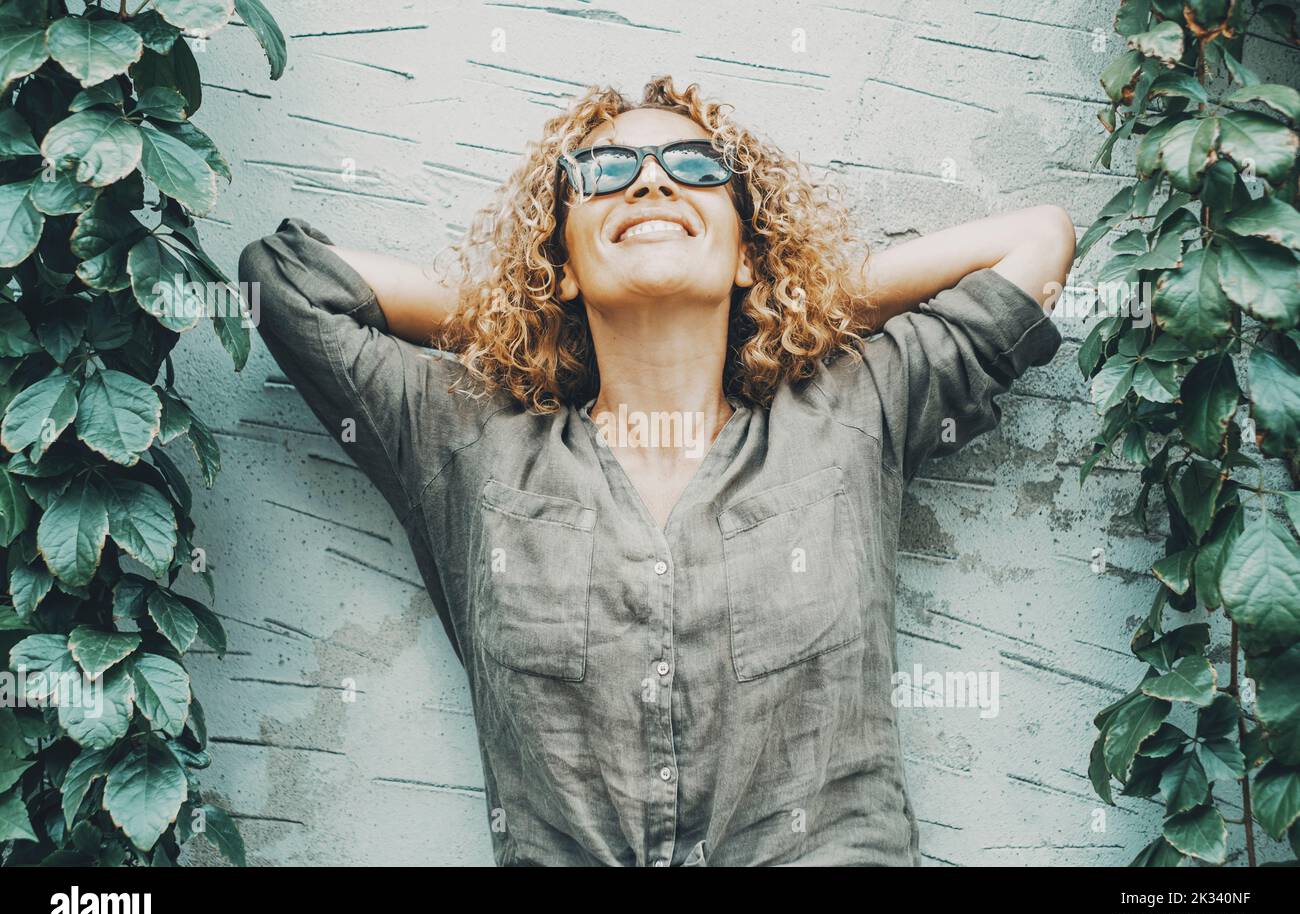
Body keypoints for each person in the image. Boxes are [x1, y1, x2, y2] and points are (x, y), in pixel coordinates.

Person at [237, 74, 1073, 866]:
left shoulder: (856, 415)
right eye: (604, 171)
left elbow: (1035, 244)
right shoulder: (471, 445)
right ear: (562, 260)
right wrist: (529, 314)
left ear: (747, 250)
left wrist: (792, 297)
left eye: (695, 167)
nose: (649, 182)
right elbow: (283, 282)